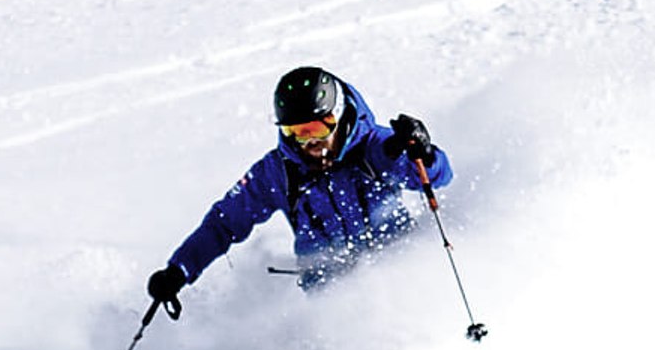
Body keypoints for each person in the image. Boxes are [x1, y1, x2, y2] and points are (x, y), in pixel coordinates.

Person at [146, 66, 454, 307]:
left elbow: (437, 176)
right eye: (296, 131)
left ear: (337, 116)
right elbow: (224, 222)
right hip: (329, 288)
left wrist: (424, 153)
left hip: (398, 265)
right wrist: (178, 271)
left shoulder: (375, 145)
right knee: (337, 316)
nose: (309, 142)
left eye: (317, 128)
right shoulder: (278, 171)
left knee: (396, 302)